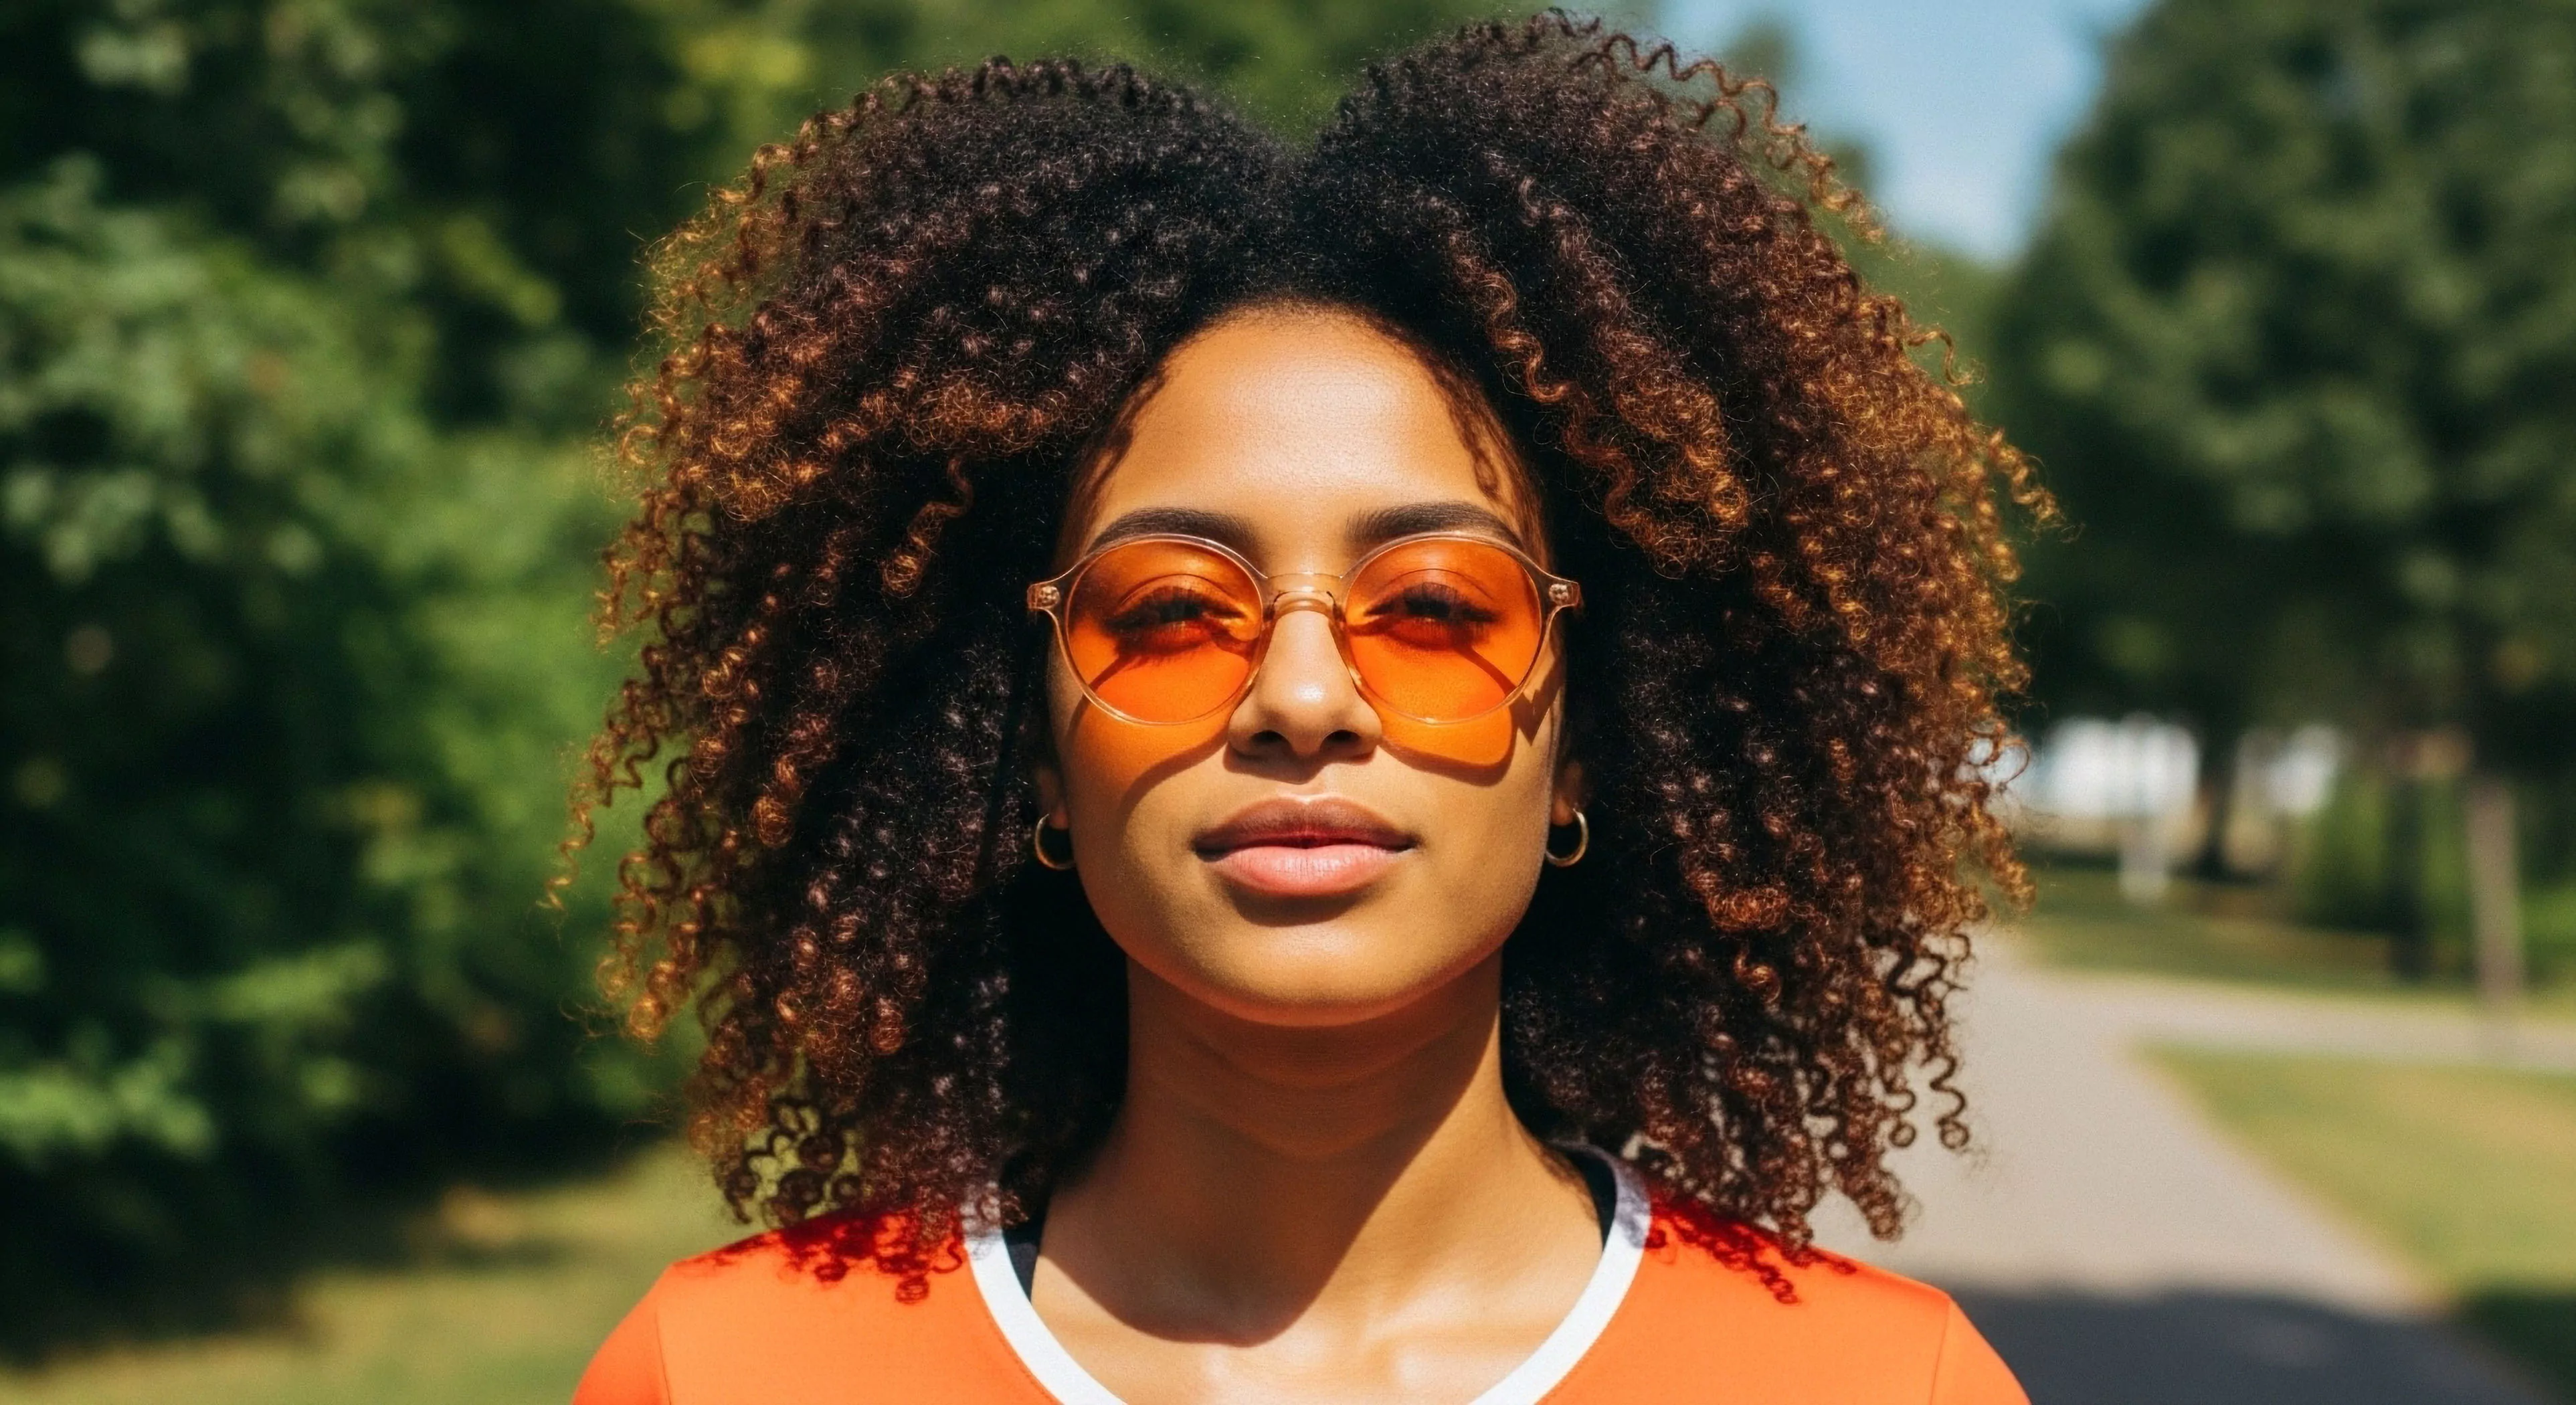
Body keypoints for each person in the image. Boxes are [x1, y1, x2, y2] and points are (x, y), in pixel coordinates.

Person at [569, 15, 2044, 1402]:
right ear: (1026, 750)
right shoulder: (726, 1371)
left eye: (1435, 611)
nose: (1298, 697)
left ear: (1584, 737)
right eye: (1163, 616)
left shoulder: (1879, 1386)